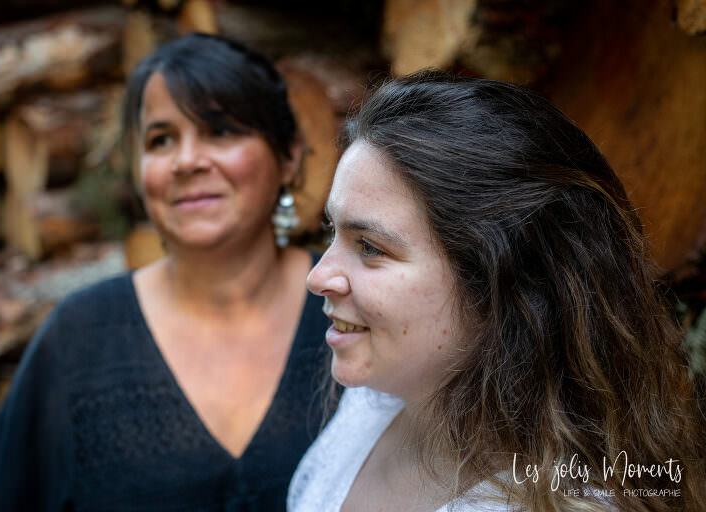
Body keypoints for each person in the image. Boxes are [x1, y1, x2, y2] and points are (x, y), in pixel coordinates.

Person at [288, 71, 706, 511]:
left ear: (506, 279)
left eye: (370, 247)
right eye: (331, 231)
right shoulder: (376, 402)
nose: (318, 277)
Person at [0, 33, 331, 511]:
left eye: (220, 131)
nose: (186, 161)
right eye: (161, 140)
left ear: (288, 156)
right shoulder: (78, 338)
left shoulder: (346, 309)